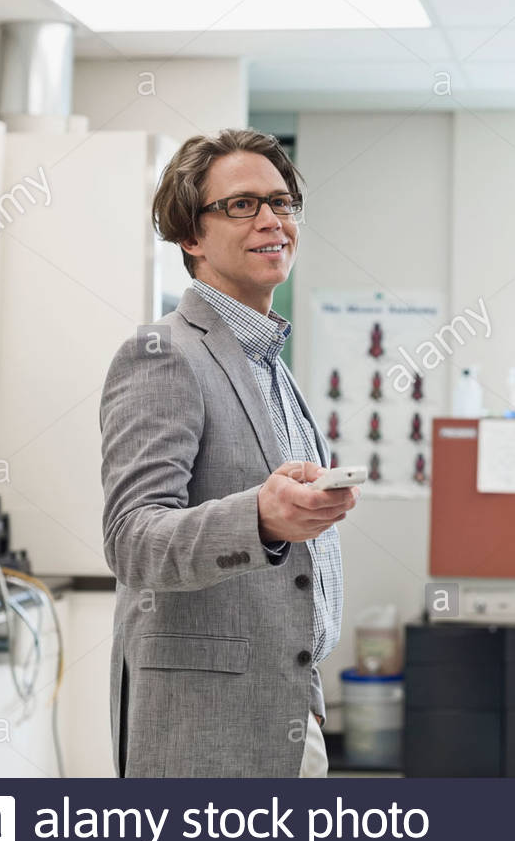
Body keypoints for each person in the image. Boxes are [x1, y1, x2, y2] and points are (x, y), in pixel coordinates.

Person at [101, 129, 356, 777]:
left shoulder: (269, 363)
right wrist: (260, 519)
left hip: (291, 714)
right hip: (207, 733)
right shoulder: (162, 354)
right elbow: (132, 540)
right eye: (242, 205)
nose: (272, 220)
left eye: (282, 202)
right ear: (191, 234)